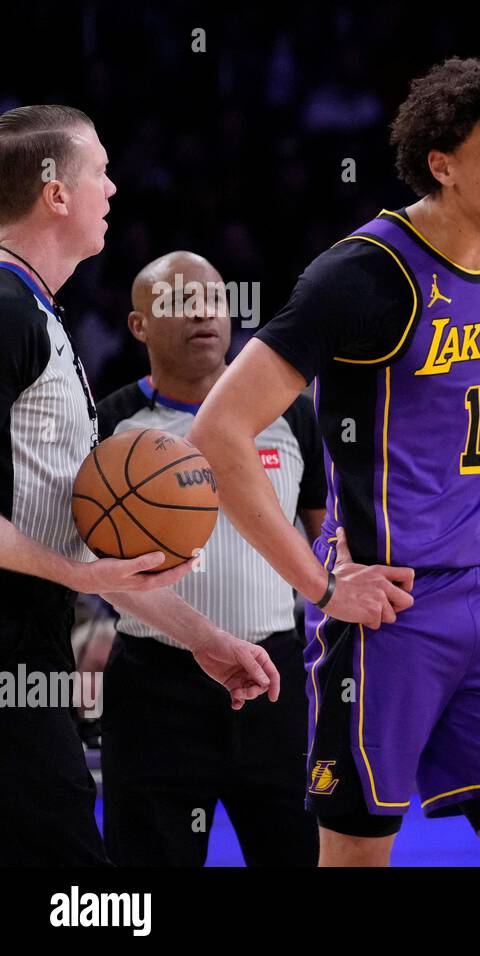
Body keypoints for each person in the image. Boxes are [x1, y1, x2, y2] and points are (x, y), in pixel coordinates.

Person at [189, 58, 480, 867]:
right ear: (442, 164)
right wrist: (323, 587)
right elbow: (218, 432)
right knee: (358, 862)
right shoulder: (363, 275)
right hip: (390, 619)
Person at [0, 105, 275, 866]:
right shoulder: (4, 310)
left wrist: (207, 642)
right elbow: (77, 559)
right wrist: (78, 573)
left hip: (34, 645)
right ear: (56, 194)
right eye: (101, 171)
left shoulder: (39, 314)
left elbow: (86, 537)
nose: (115, 188)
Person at [95, 250, 326, 865]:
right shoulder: (111, 423)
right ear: (139, 324)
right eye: (177, 300)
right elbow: (89, 559)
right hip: (154, 687)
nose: (202, 312)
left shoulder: (290, 412)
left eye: (215, 299)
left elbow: (328, 540)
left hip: (280, 681)